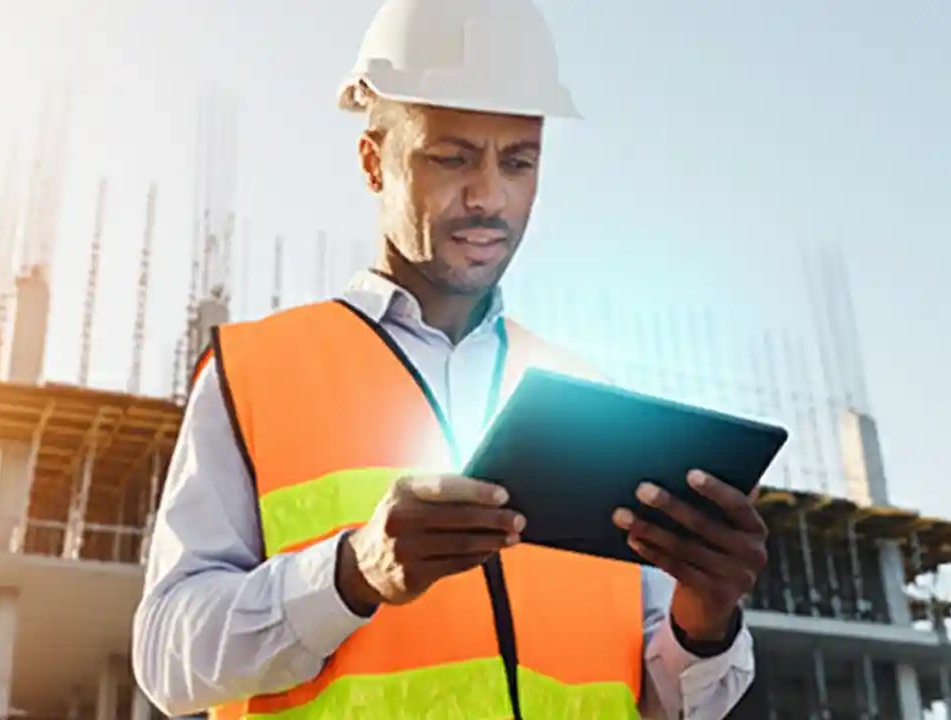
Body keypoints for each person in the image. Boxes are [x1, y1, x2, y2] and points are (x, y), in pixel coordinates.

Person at [133, 0, 769, 717]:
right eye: (452, 157)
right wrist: (351, 573)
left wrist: (706, 618)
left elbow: (664, 702)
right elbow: (167, 660)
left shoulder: (586, 397)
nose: (489, 197)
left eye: (518, 162)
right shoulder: (256, 372)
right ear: (375, 161)